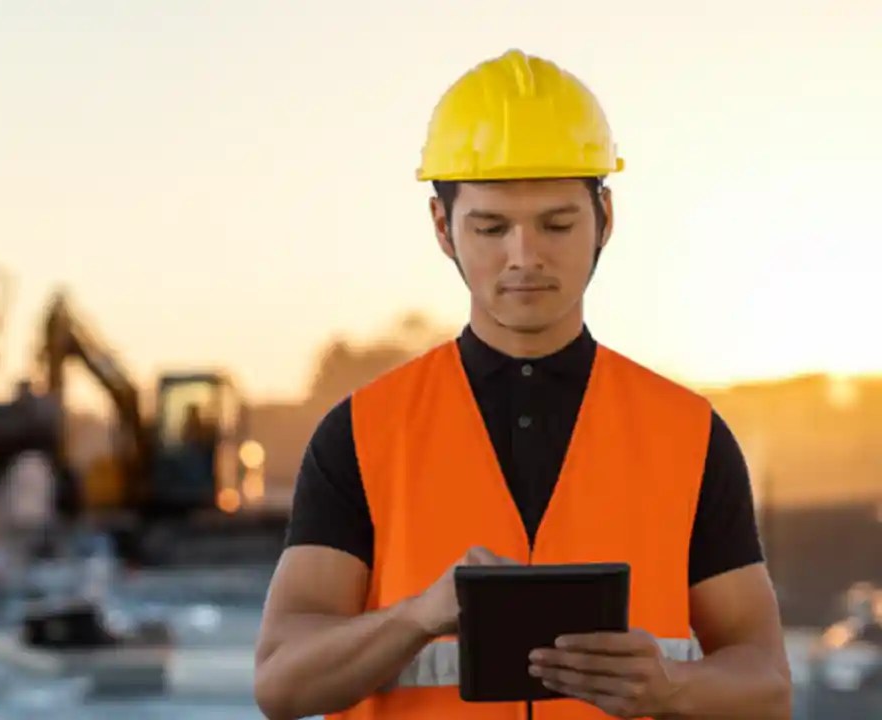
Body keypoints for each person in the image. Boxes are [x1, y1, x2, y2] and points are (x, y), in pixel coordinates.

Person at [254, 49, 792, 720]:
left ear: (606, 217)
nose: (525, 256)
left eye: (557, 224)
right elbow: (280, 683)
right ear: (442, 227)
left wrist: (670, 688)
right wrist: (419, 615)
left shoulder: (688, 435)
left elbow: (767, 685)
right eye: (491, 227)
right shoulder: (361, 433)